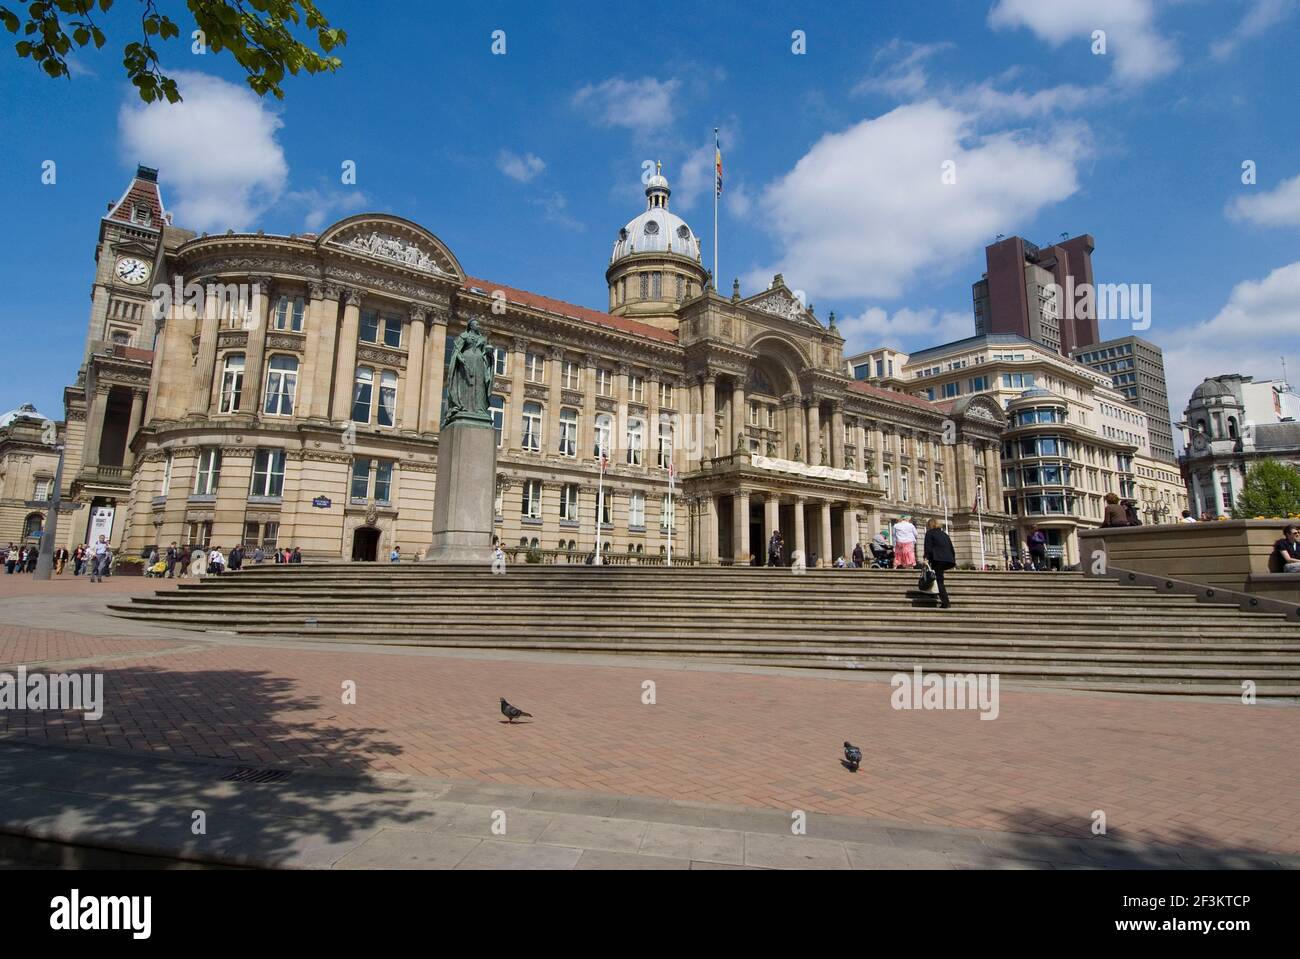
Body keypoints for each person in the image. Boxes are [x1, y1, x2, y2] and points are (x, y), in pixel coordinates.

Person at [922, 518, 957, 609]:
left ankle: (945, 602)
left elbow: (928, 547)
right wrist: (952, 558)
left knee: (939, 580)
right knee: (937, 577)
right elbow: (951, 548)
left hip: (938, 559)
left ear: (930, 525)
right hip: (948, 559)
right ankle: (933, 594)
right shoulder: (945, 534)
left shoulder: (930, 533)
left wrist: (926, 558)